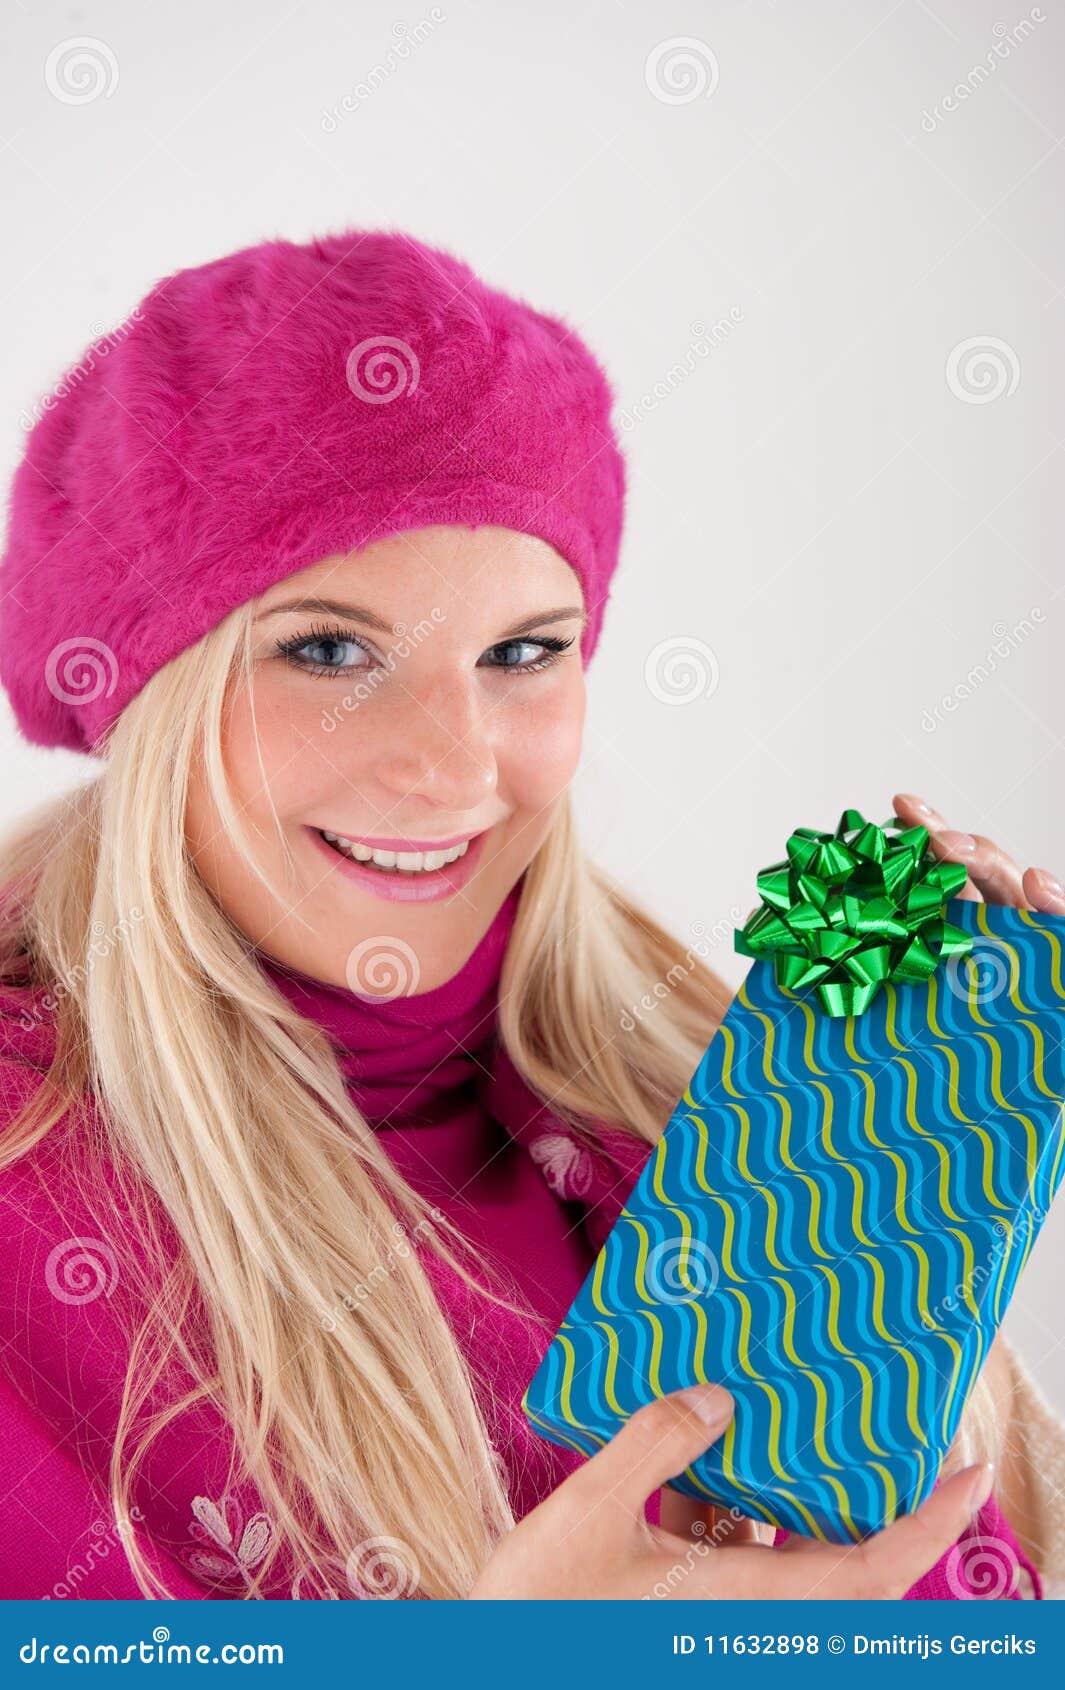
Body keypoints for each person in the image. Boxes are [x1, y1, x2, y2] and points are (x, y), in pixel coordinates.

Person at [0, 229, 1059, 1601]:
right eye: (329, 649)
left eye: (521, 652)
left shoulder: (710, 1097)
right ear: (146, 694)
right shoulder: (37, 1193)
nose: (452, 765)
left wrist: (913, 1148)